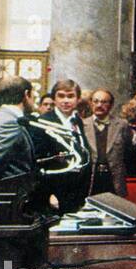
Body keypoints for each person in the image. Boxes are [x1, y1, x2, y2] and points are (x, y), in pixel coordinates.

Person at [40, 78, 92, 210]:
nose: (66, 101)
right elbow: (38, 162)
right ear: (54, 99)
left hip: (77, 192)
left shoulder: (77, 121)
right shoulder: (44, 122)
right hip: (54, 193)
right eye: (61, 96)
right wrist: (47, 194)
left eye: (70, 96)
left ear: (78, 99)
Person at [82, 87, 132, 198]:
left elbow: (128, 153)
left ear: (111, 105)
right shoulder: (82, 125)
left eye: (104, 102)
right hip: (90, 180)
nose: (99, 105)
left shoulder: (121, 125)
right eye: (96, 101)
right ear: (91, 103)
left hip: (114, 180)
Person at [0, 76, 37, 183]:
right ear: (26, 94)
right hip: (8, 194)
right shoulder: (10, 123)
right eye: (33, 96)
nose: (34, 101)